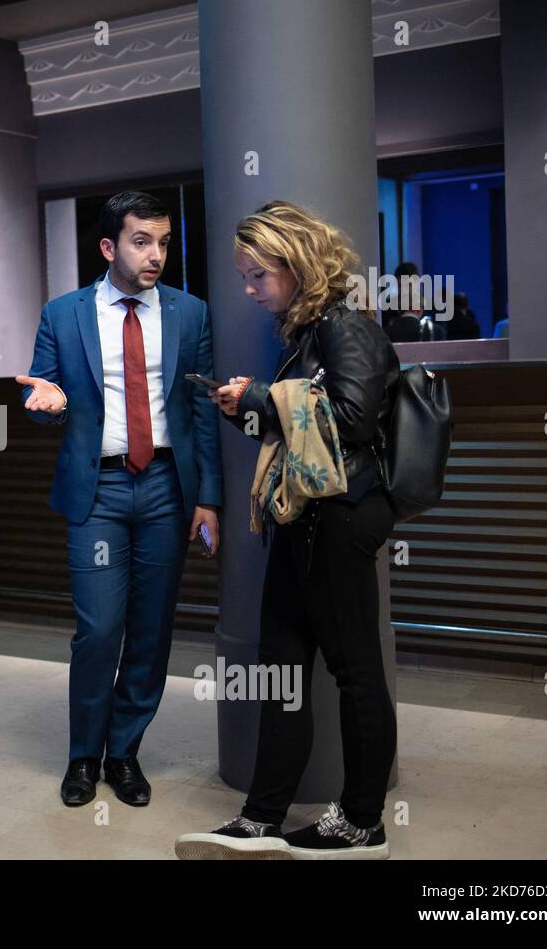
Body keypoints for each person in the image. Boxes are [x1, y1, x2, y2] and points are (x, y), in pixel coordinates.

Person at [175, 200, 400, 859]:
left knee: (356, 673)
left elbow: (353, 420)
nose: (249, 290)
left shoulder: (344, 326)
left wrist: (257, 398)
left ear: (297, 264)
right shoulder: (304, 335)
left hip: (338, 520)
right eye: (245, 276)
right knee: (279, 670)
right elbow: (293, 428)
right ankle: (260, 819)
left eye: (257, 275)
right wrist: (243, 407)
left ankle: (362, 825)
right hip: (302, 520)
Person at [17, 191, 222, 809]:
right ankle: (83, 754)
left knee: (152, 629)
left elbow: (200, 413)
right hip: (98, 488)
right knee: (99, 629)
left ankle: (124, 753)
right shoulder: (63, 313)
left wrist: (208, 497)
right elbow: (43, 387)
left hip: (166, 486)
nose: (156, 254)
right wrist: (47, 405)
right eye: (141, 241)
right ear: (109, 247)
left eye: (162, 241)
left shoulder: (190, 314)